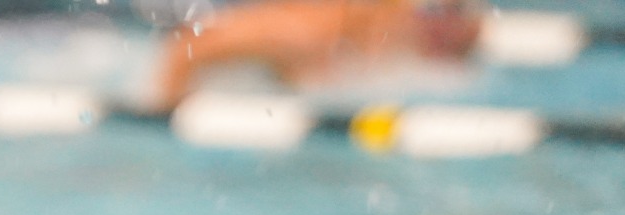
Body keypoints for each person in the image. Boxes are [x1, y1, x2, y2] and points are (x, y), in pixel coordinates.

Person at [153, 0, 483, 110]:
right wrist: (163, 117)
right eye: (441, 13)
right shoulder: (306, 35)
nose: (449, 31)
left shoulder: (393, 37)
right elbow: (186, 48)